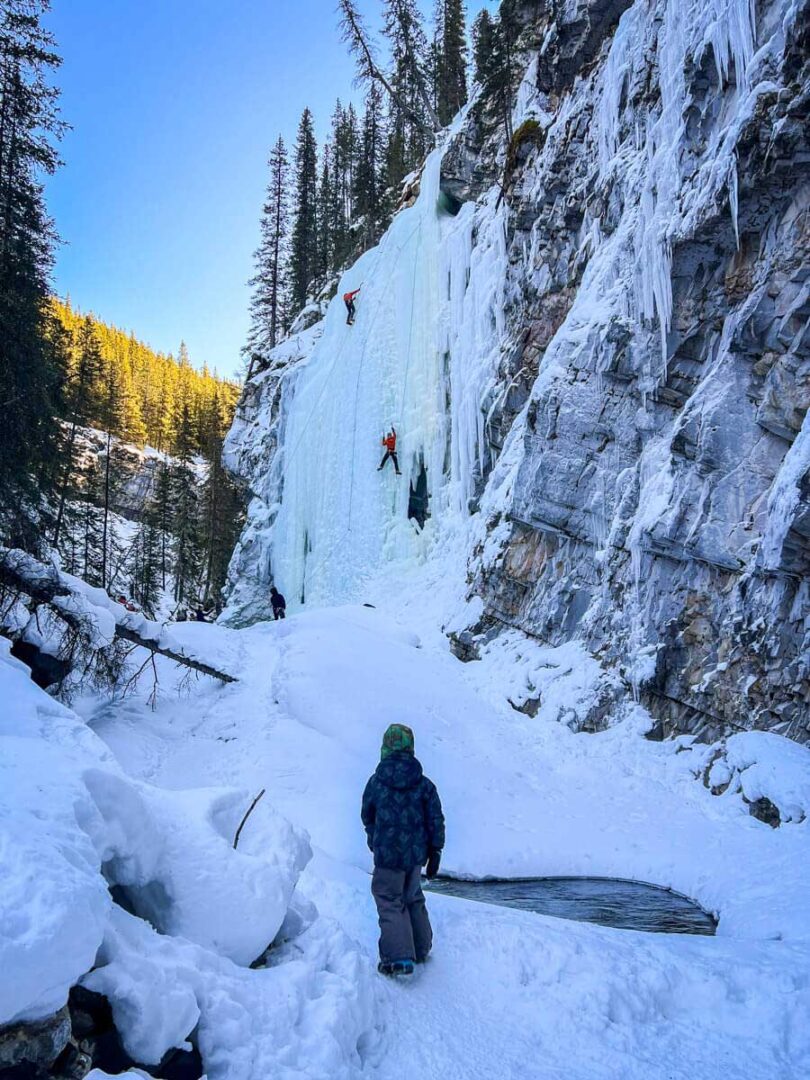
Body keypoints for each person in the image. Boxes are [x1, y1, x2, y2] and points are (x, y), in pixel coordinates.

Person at [361, 723, 445, 977]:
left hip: (387, 856)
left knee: (389, 899)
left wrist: (375, 840)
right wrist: (435, 852)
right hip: (415, 857)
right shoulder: (424, 785)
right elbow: (435, 819)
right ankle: (420, 948)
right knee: (412, 896)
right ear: (411, 748)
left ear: (385, 747)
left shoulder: (376, 783)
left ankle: (398, 958)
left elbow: (367, 815)